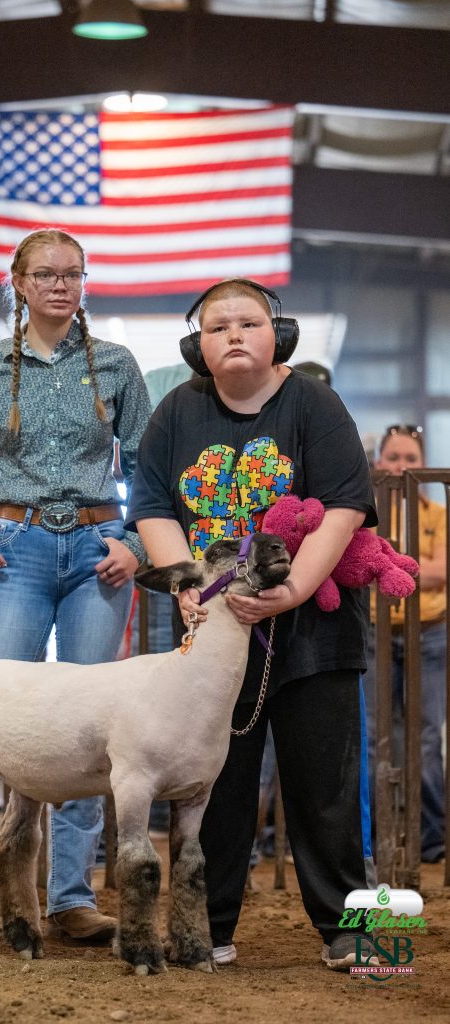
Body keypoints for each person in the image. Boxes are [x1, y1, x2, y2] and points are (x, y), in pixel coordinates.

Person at [127, 277, 379, 972]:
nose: (233, 334)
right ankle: (201, 928)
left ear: (278, 337)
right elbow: (151, 505)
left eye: (247, 322)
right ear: (196, 346)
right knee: (212, 789)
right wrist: (190, 586)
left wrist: (294, 588)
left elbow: (343, 505)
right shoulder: (175, 411)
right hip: (214, 638)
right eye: (216, 327)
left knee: (324, 791)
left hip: (313, 634)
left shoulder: (315, 404)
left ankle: (352, 930)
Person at [0, 227, 151, 941]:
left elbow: (148, 468)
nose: (61, 285)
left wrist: (134, 541)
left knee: (90, 732)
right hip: (14, 550)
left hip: (97, 552)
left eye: (73, 274)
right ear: (19, 283)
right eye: (47, 274)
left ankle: (69, 900)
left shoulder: (116, 365)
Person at [364, 424, 446, 863]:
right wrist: (417, 565)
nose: (401, 466)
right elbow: (424, 569)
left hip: (430, 630)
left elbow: (443, 570)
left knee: (428, 734)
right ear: (379, 464)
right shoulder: (366, 513)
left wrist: (388, 560)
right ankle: (377, 838)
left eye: (410, 459)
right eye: (393, 458)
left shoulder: (437, 511)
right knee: (375, 735)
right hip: (376, 629)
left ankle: (431, 839)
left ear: (423, 465)